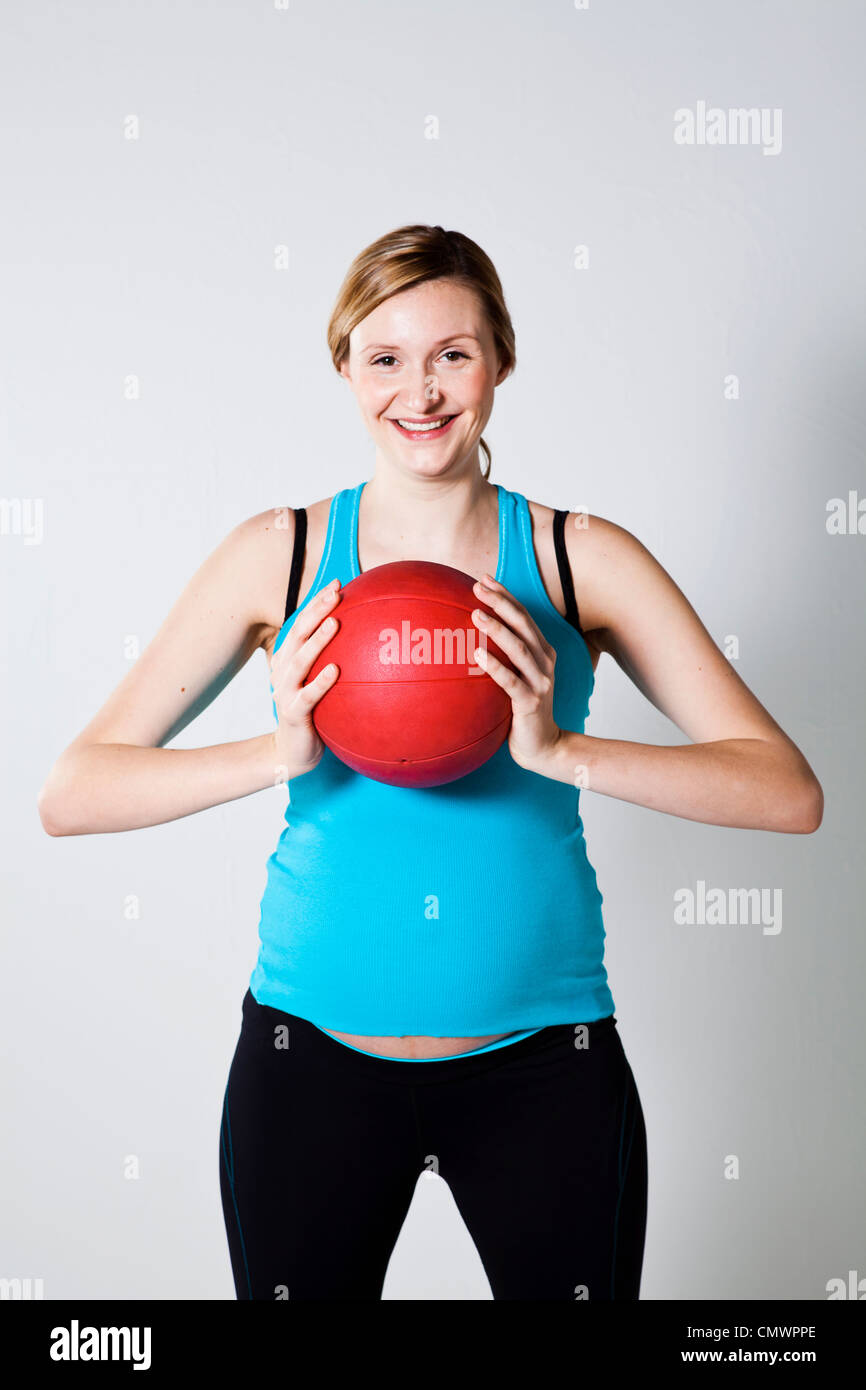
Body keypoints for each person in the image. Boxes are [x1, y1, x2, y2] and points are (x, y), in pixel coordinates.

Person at [38, 224, 823, 1302]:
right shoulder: (284, 553)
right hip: (305, 1064)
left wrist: (560, 749)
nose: (421, 390)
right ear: (344, 367)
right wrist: (276, 752)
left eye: (453, 352)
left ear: (499, 357)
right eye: (386, 357)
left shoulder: (574, 555)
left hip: (546, 1064)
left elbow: (784, 791)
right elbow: (73, 791)